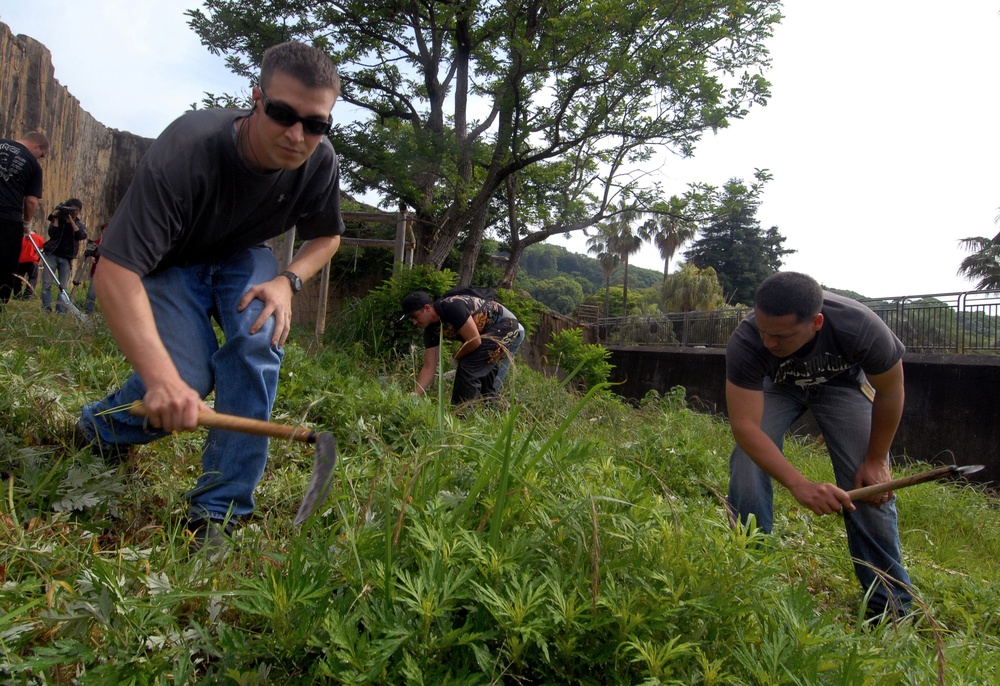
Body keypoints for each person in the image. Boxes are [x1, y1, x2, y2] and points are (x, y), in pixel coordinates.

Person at [75, 41, 345, 552]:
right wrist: (160, 380)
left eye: (315, 123)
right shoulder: (188, 148)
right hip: (168, 263)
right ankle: (99, 428)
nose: (297, 135)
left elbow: (326, 235)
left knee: (257, 335)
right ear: (256, 98)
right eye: (283, 114)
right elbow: (114, 272)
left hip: (243, 255)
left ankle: (219, 509)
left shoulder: (318, 161)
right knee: (185, 381)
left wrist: (288, 281)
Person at [725, 271, 912, 619]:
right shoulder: (748, 340)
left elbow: (890, 390)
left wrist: (875, 459)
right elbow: (745, 425)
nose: (768, 342)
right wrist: (799, 484)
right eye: (763, 330)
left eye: (780, 336)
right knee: (747, 464)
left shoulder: (860, 327)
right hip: (776, 386)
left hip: (841, 385)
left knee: (871, 486)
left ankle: (890, 609)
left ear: (816, 323)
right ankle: (748, 572)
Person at [401, 290, 524, 405]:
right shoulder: (431, 330)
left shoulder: (451, 307)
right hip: (485, 334)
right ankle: (492, 407)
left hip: (506, 324)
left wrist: (456, 357)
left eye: (415, 316)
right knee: (482, 373)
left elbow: (474, 342)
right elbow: (429, 367)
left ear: (427, 308)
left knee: (468, 367)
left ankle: (461, 414)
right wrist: (415, 395)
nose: (414, 322)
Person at [0, 132, 49, 304]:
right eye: (41, 155)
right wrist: (27, 223)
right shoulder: (34, 166)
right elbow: (31, 200)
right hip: (8, 218)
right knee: (6, 266)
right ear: (37, 146)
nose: (40, 159)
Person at [40, 198, 88, 314]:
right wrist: (56, 217)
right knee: (46, 284)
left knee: (64, 287)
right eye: (71, 210)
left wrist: (71, 221)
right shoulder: (59, 220)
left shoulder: (78, 224)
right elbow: (52, 234)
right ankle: (46, 309)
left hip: (66, 258)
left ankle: (60, 311)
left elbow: (81, 235)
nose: (74, 212)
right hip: (52, 254)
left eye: (76, 210)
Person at [80, 223, 107, 314]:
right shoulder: (96, 243)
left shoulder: (116, 245)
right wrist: (90, 257)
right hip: (97, 272)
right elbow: (85, 256)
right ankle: (88, 313)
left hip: (110, 274)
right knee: (91, 294)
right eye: (105, 230)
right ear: (102, 231)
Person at [13, 225, 46, 299]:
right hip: (33, 260)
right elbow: (43, 249)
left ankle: (17, 295)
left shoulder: (21, 238)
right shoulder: (39, 238)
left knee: (18, 279)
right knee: (32, 278)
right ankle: (27, 296)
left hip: (21, 260)